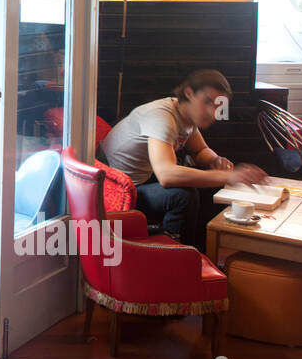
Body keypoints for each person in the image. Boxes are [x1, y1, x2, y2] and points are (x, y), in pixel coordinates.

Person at [101, 69, 265, 250]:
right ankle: (174, 254)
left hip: (140, 180)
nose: (213, 112)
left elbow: (200, 150)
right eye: (207, 102)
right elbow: (167, 175)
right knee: (183, 196)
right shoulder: (161, 117)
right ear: (189, 93)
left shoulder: (186, 116)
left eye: (218, 105)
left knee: (199, 183)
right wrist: (229, 177)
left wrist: (215, 161)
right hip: (117, 190)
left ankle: (200, 248)